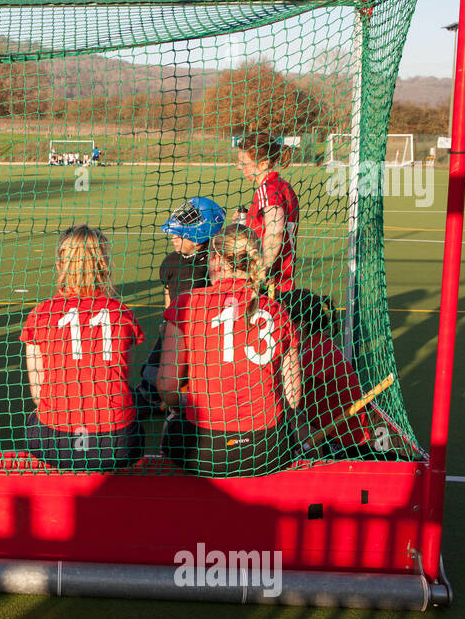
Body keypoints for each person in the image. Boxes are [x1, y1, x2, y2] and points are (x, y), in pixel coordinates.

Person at [157, 224, 302, 477]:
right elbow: (294, 397)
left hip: (205, 452)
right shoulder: (278, 312)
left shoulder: (187, 303)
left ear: (216, 259)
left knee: (173, 424)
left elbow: (166, 387)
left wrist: (186, 402)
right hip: (266, 451)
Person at [21, 225, 145, 470]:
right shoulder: (122, 314)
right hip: (116, 442)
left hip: (54, 442)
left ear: (59, 265)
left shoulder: (40, 314)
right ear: (104, 266)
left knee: (35, 420)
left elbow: (38, 394)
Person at [134, 196, 227, 416]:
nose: (174, 237)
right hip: (175, 328)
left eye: (181, 233)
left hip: (203, 332)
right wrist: (166, 322)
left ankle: (186, 396)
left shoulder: (213, 263)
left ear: (200, 234)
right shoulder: (171, 261)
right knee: (151, 373)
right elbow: (169, 292)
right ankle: (154, 399)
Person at [283, 290, 371, 455]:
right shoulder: (312, 346)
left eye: (284, 321)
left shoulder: (318, 349)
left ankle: (310, 467)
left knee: (287, 418)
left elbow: (287, 393)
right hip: (327, 432)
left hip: (343, 443)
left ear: (301, 324)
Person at [232, 131, 299, 296]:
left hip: (270, 283)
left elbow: (275, 230)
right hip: (283, 280)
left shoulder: (268, 189)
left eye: (244, 163)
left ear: (263, 164)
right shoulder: (281, 186)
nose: (239, 167)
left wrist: (264, 268)